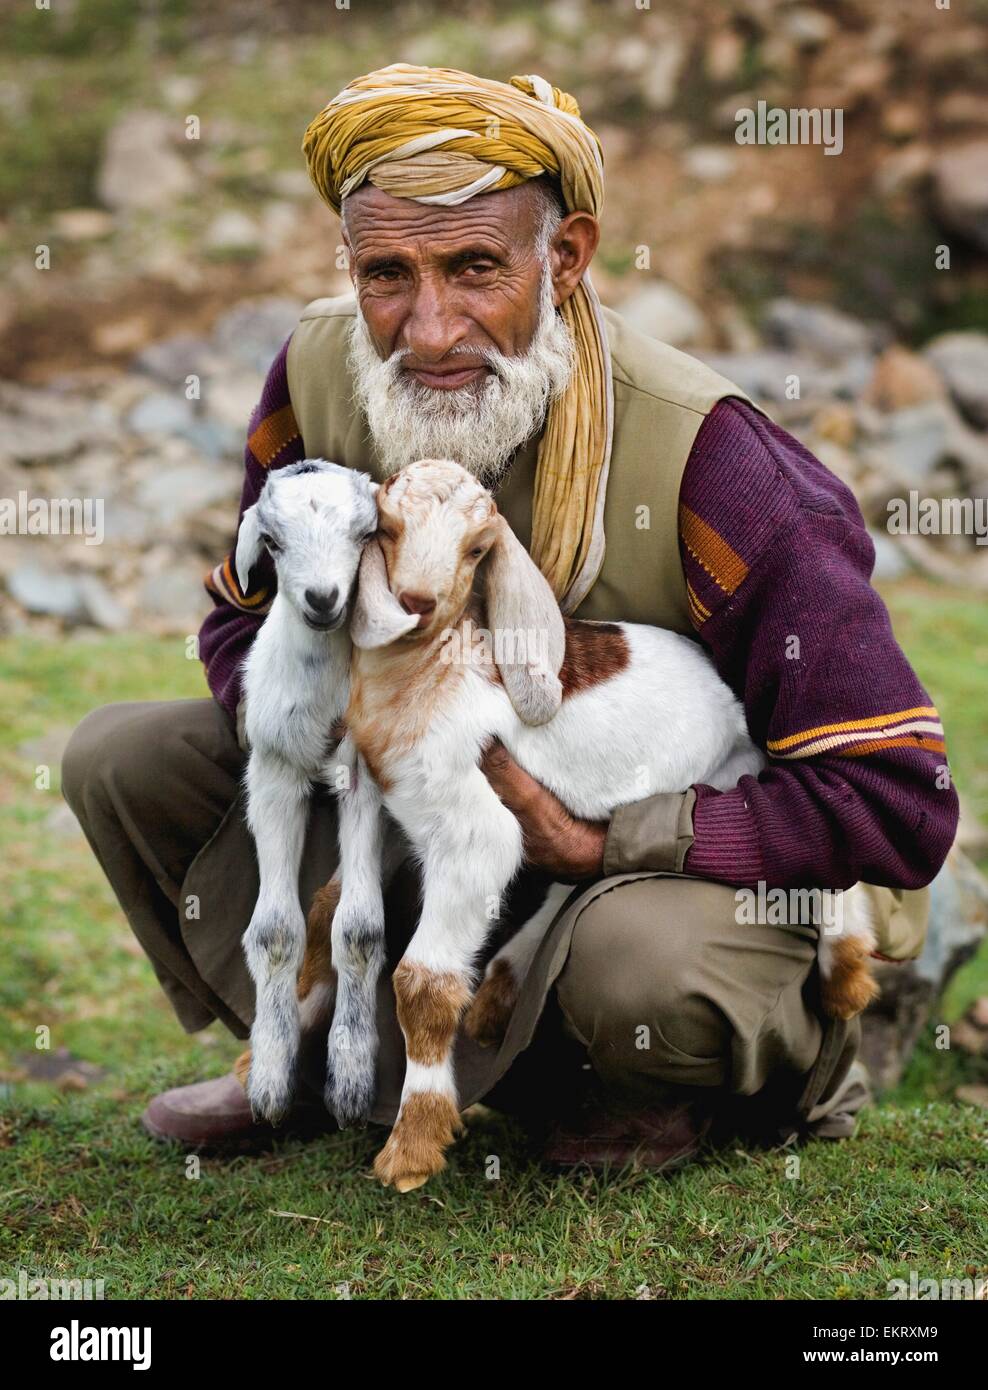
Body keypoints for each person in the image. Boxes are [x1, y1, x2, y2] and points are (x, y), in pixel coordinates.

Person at [62, 65, 957, 1171]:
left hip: (665, 848)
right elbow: (243, 622)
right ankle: (315, 1055)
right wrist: (354, 727)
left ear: (566, 256)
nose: (429, 328)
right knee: (125, 757)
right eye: (386, 273)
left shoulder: (719, 467)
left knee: (635, 967)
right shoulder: (320, 379)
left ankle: (720, 1074)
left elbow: (894, 802)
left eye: (475, 267)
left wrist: (602, 839)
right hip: (436, 793)